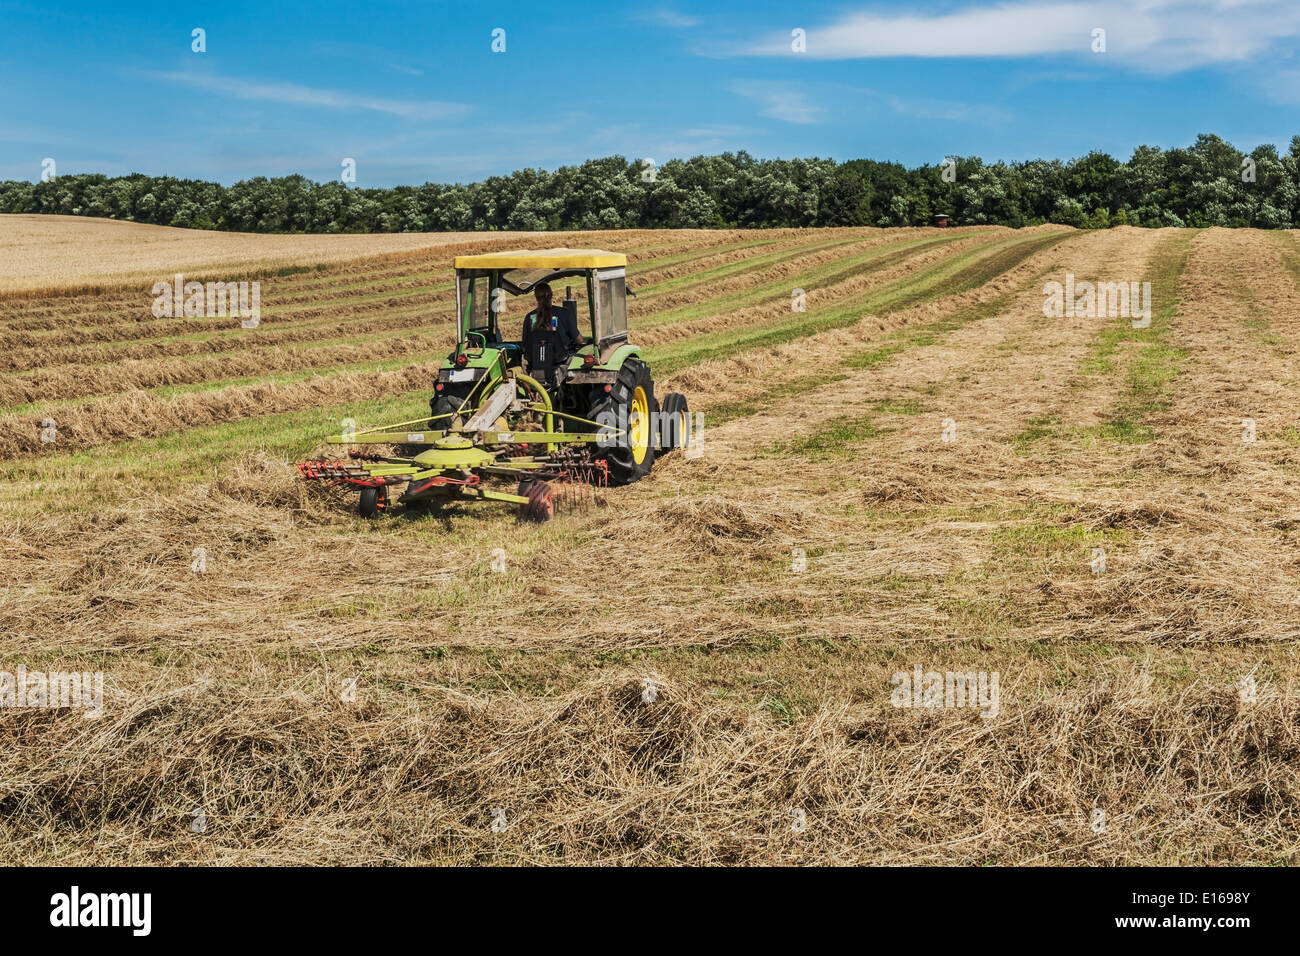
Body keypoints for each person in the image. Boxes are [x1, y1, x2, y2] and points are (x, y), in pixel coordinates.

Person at [523, 283, 580, 384]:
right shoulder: (564, 313)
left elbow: (525, 347)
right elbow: (579, 339)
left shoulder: (529, 317)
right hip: (560, 364)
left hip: (535, 367)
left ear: (536, 298)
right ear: (551, 295)